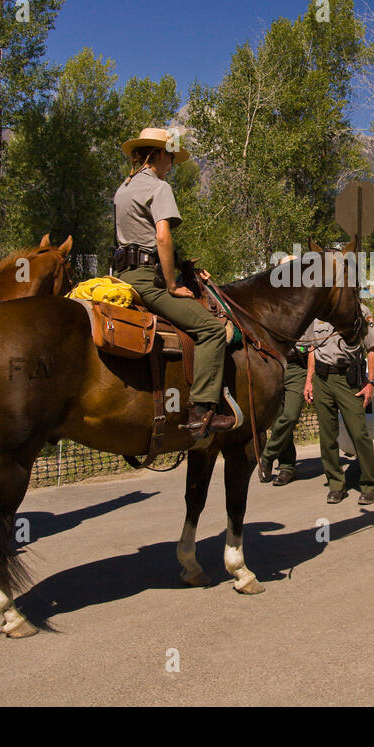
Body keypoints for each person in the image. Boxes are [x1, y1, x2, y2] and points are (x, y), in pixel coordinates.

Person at [113, 128, 232, 435]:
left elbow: (137, 239)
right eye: (172, 158)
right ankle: (201, 411)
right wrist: (170, 282)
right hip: (148, 281)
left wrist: (182, 265)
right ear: (159, 155)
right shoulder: (159, 187)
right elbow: (161, 236)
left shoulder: (123, 188)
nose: (173, 165)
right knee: (212, 329)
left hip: (122, 276)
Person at [306, 302, 374, 505]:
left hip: (348, 380)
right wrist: (309, 380)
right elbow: (313, 348)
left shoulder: (360, 310)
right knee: (327, 436)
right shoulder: (318, 310)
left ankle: (369, 485)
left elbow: (372, 349)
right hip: (322, 380)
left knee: (358, 433)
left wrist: (371, 383)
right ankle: (335, 485)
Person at [260, 316, 311, 485]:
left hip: (297, 367)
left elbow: (313, 348)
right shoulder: (274, 311)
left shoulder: (308, 314)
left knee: (290, 415)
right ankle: (287, 467)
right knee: (277, 421)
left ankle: (267, 455)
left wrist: (311, 378)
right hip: (274, 366)